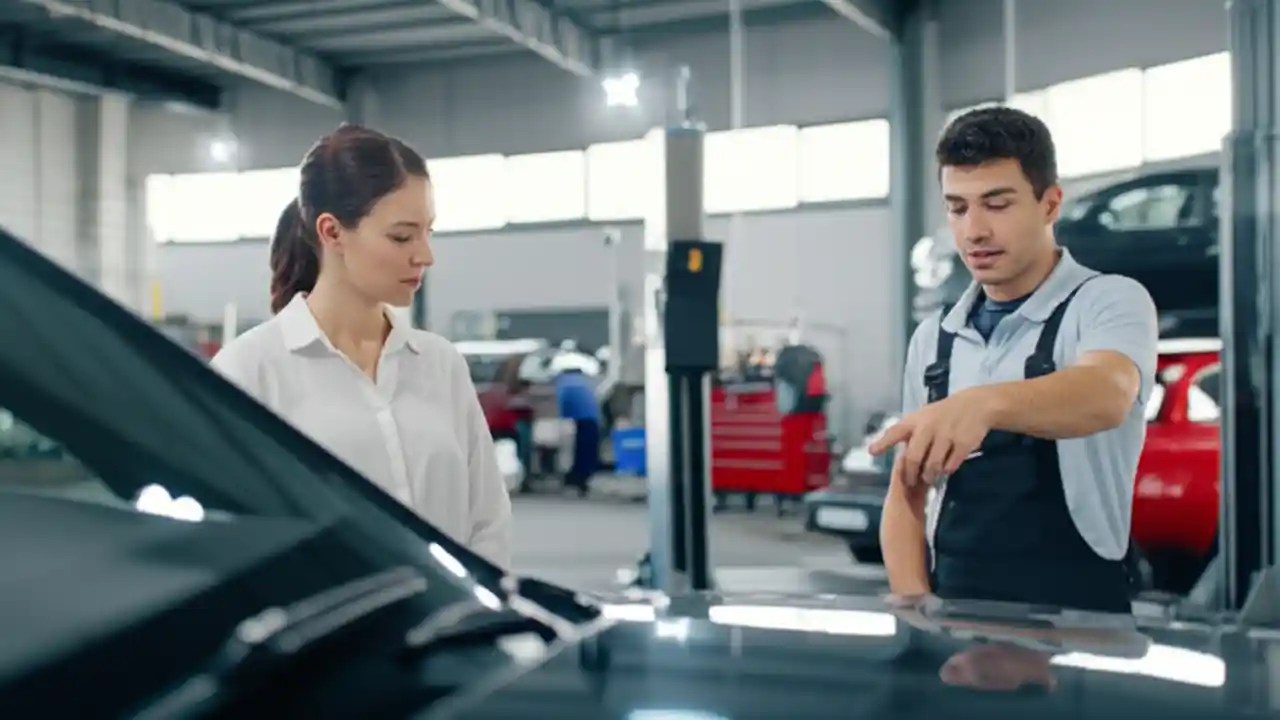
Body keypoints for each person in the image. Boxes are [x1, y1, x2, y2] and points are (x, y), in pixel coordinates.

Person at [869, 107, 1158, 614]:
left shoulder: (1108, 302)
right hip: (957, 626)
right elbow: (907, 492)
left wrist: (986, 404)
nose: (974, 231)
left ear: (1050, 204)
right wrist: (914, 607)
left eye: (996, 205)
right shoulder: (934, 340)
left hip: (1080, 632)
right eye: (957, 208)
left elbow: (1106, 394)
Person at [210, 123, 513, 570]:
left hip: (455, 630)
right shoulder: (249, 372)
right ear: (332, 233)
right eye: (402, 236)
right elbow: (233, 542)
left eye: (429, 232)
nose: (425, 255)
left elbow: (488, 524)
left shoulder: (439, 364)